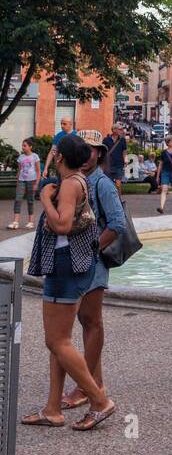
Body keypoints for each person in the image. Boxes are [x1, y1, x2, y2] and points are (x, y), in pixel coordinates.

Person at [22, 133, 116, 431]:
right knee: (58, 341)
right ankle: (53, 409)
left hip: (65, 266)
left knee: (57, 341)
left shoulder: (70, 186)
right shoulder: (77, 181)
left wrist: (44, 200)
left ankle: (99, 400)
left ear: (59, 157)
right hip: (68, 265)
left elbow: (61, 224)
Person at [59, 133, 128, 413]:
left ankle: (86, 387)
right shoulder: (79, 180)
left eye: (92, 151)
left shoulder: (102, 183)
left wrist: (93, 248)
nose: (87, 155)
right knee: (86, 322)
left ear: (99, 154)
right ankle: (94, 384)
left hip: (92, 260)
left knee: (91, 322)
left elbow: (117, 223)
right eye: (83, 150)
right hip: (80, 260)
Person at [9, 137, 41, 230]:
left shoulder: (35, 156)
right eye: (22, 145)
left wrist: (36, 183)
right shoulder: (21, 157)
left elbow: (38, 171)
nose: (23, 147)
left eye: (25, 146)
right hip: (21, 180)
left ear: (30, 146)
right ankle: (15, 221)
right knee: (18, 199)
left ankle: (31, 222)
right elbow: (19, 170)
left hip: (32, 180)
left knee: (30, 200)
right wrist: (17, 181)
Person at [43, 115, 74, 183]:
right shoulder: (58, 135)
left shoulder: (76, 135)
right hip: (60, 169)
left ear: (71, 124)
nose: (62, 126)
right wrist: (45, 168)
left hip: (72, 169)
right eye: (61, 124)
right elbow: (52, 152)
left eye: (64, 124)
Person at [103, 122, 128, 196]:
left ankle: (118, 199)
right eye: (120, 129)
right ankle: (109, 198)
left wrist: (125, 160)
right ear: (114, 130)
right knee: (108, 183)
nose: (122, 131)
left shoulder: (122, 140)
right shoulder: (106, 140)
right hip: (108, 164)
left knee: (118, 184)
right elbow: (103, 152)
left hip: (119, 164)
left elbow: (124, 152)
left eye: (122, 129)